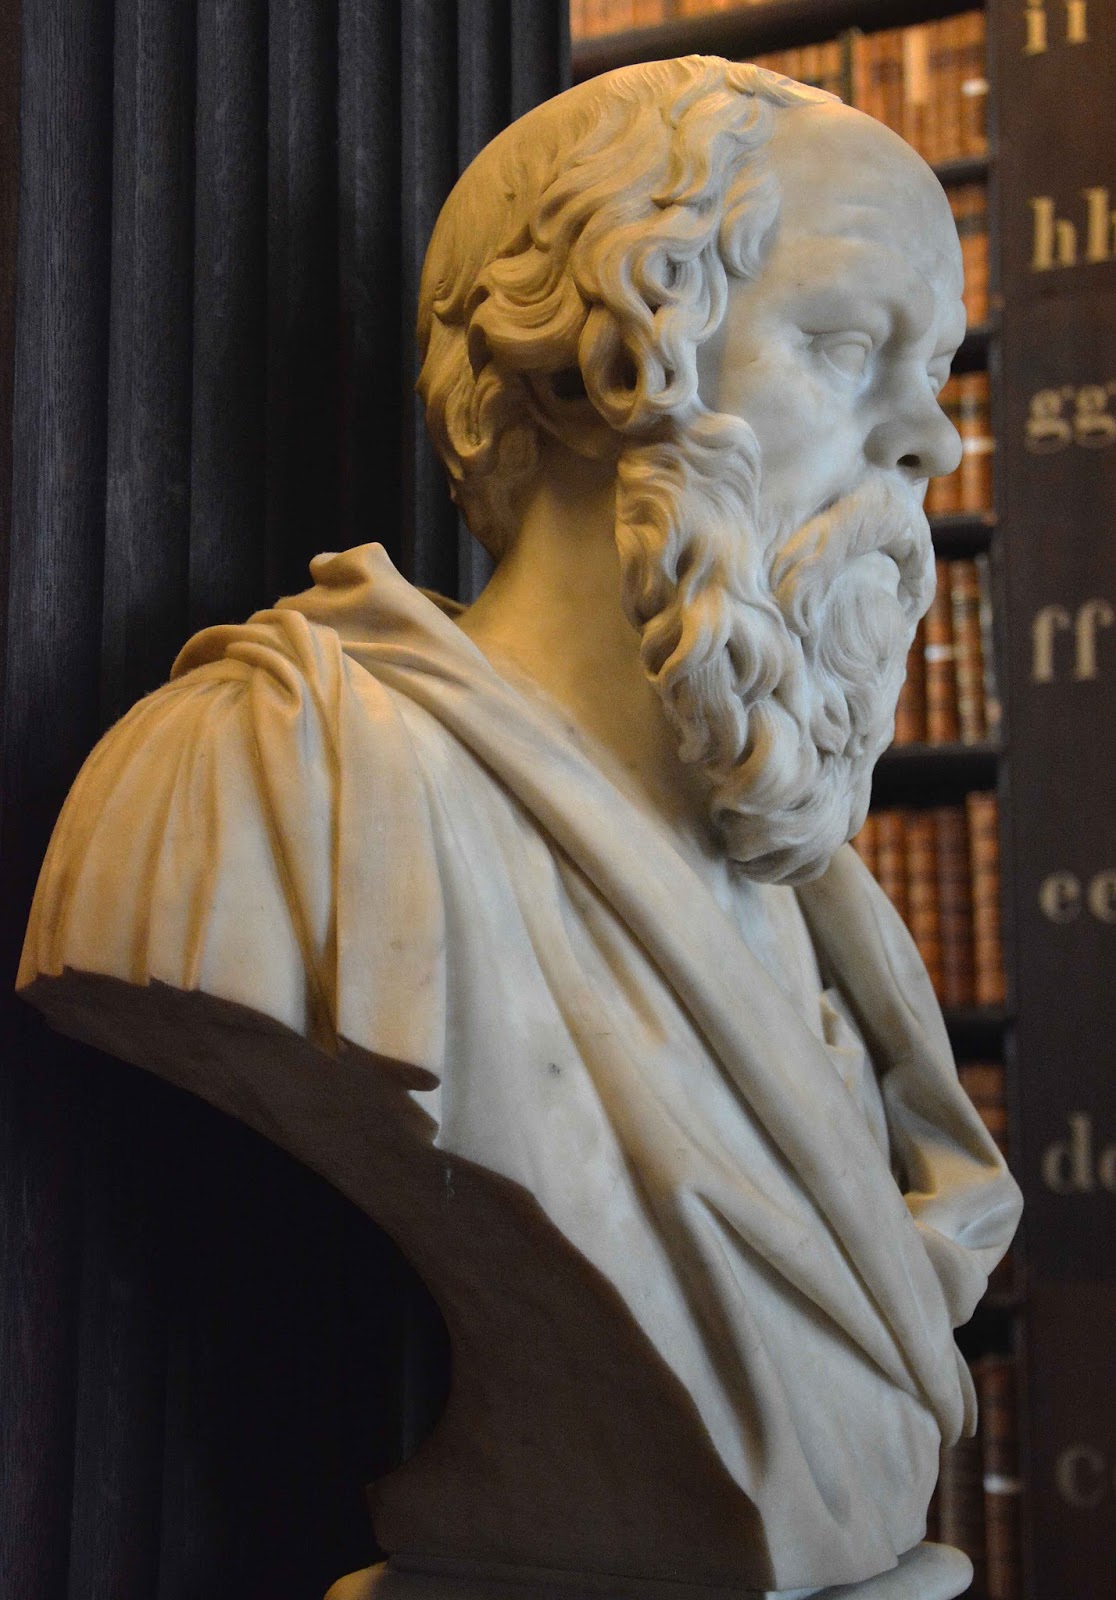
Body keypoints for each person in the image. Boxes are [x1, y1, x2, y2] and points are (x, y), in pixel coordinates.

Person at [19, 57, 1021, 1600]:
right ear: (587, 374)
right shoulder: (267, 792)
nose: (933, 446)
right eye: (844, 344)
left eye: (935, 370)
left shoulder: (827, 914)